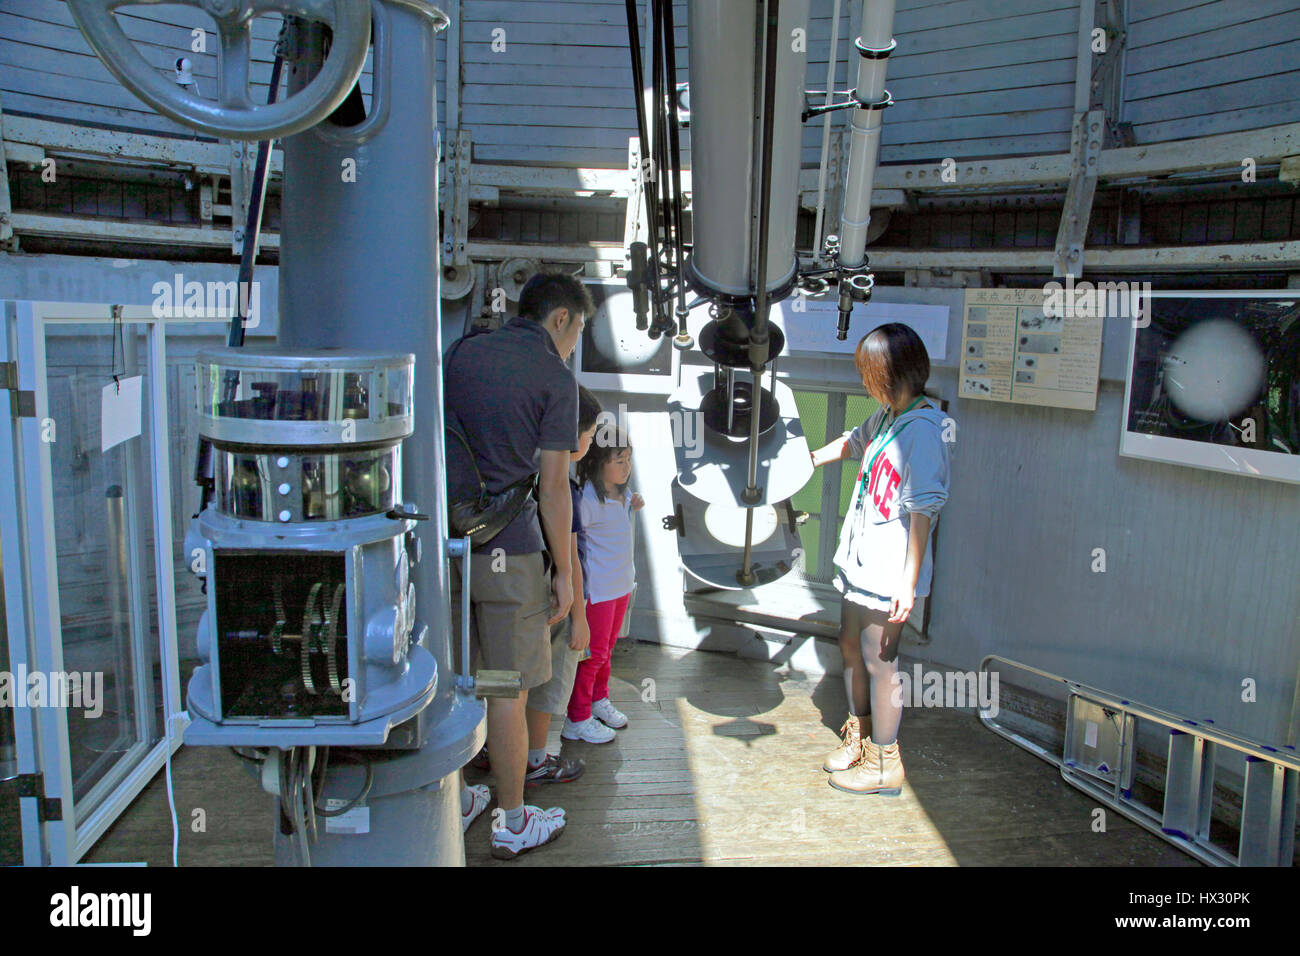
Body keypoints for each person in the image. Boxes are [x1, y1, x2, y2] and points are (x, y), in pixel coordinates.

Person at [445, 272, 593, 859]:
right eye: (577, 333)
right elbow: (555, 491)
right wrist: (565, 574)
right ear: (560, 319)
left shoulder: (460, 352)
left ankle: (455, 801)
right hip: (511, 556)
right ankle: (511, 821)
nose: (573, 346)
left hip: (447, 552)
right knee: (504, 690)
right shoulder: (554, 378)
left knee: (457, 682)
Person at [808, 323, 953, 795]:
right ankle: (861, 736)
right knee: (850, 644)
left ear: (889, 373)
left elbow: (923, 511)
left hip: (889, 573)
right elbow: (853, 443)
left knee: (881, 661)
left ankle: (886, 763)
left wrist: (908, 583)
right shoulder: (889, 415)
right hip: (861, 564)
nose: (864, 382)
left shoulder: (924, 431)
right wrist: (805, 460)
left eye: (868, 373)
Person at [522, 385, 603, 782]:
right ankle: (537, 759)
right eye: (590, 435)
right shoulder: (562, 489)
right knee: (547, 683)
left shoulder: (527, 474)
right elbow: (570, 555)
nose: (591, 442)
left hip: (527, 590)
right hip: (560, 601)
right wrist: (582, 617)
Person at [563, 425, 643, 742]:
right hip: (598, 593)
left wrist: (632, 503)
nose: (627, 467)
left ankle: (598, 701)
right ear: (599, 461)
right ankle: (577, 719)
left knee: (607, 651)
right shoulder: (587, 500)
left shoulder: (619, 495)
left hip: (621, 587)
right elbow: (575, 547)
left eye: (629, 460)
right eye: (619, 461)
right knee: (593, 655)